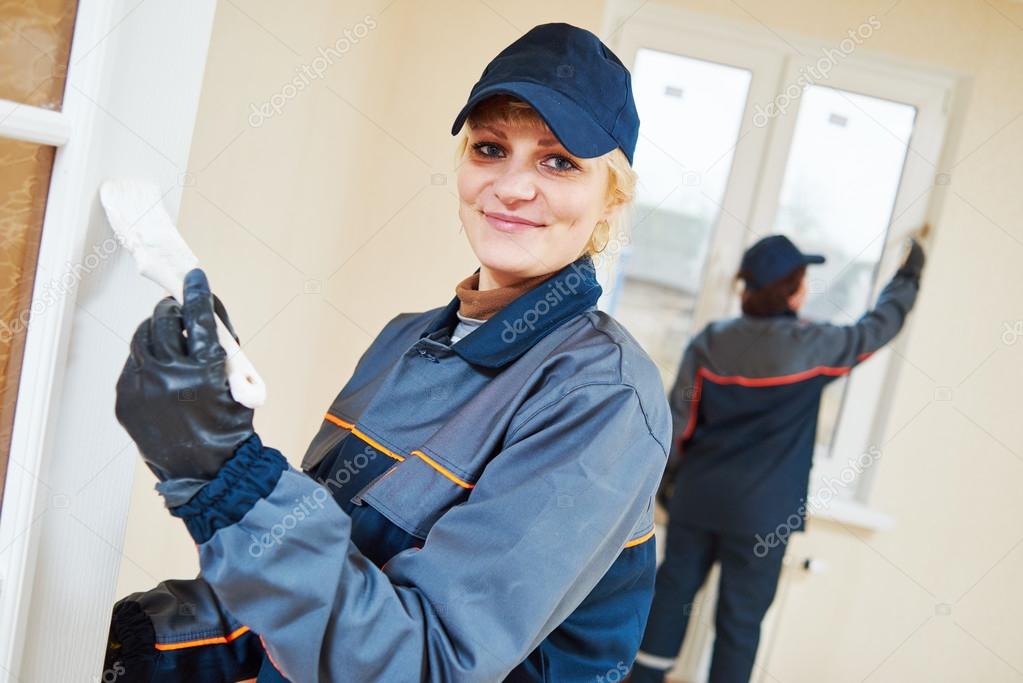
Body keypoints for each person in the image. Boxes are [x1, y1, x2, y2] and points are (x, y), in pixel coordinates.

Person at [104, 23, 673, 682]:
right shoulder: (405, 340)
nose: (512, 187)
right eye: (490, 148)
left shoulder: (602, 395)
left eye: (558, 161)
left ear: (613, 198)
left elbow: (426, 664)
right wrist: (154, 639)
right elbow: (319, 590)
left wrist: (226, 476)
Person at [629, 234, 925, 683]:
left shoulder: (711, 342)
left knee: (671, 599)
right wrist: (907, 278)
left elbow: (678, 423)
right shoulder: (815, 345)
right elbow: (878, 326)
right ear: (792, 291)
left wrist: (666, 488)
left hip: (697, 499)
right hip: (764, 517)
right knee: (740, 624)